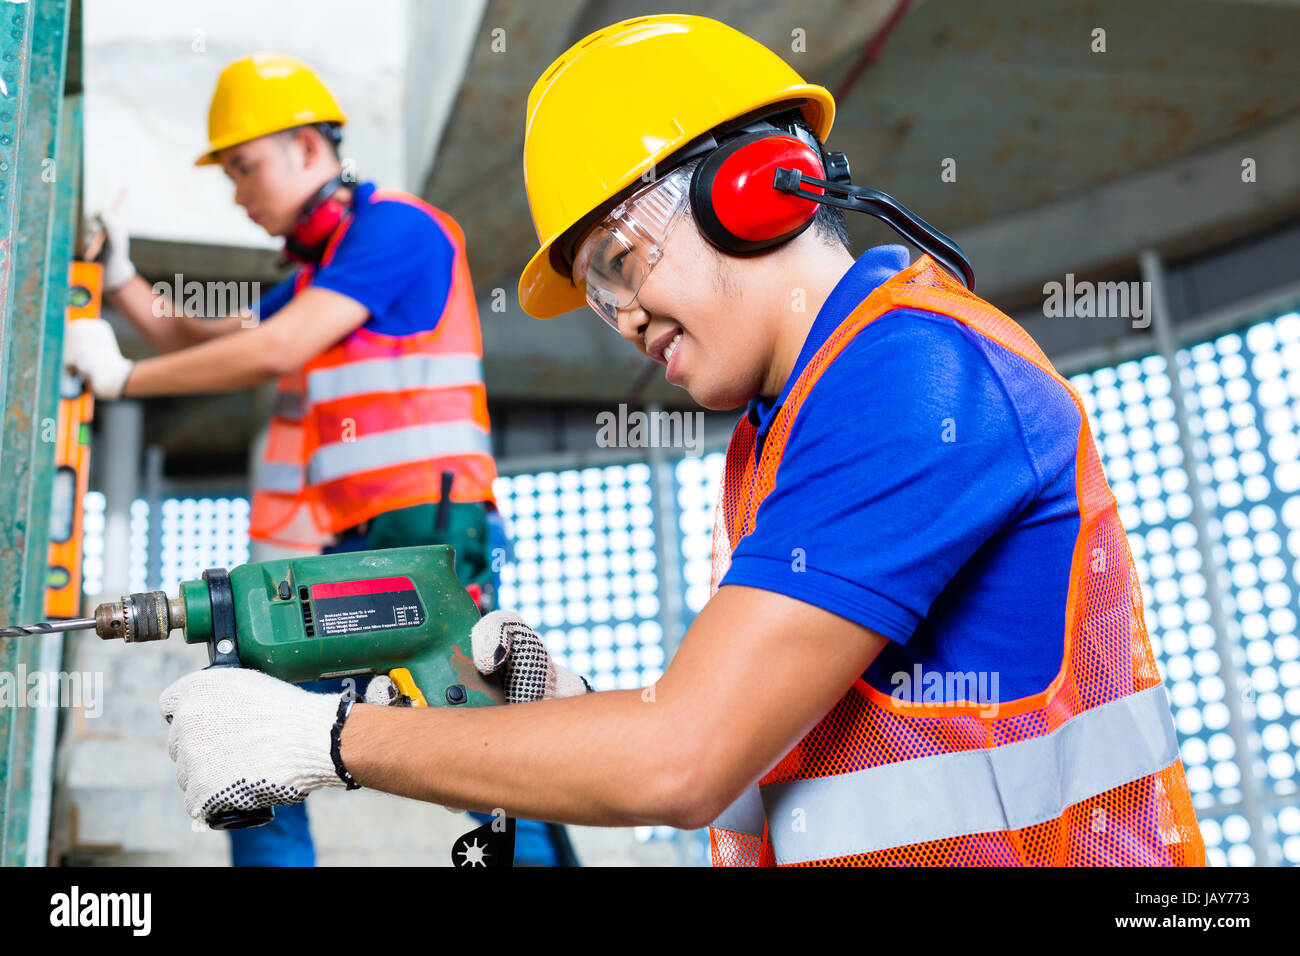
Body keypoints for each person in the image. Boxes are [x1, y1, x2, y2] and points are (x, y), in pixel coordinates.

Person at [156, 18, 1205, 866]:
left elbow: (681, 759)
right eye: (596, 294)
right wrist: (565, 714)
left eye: (618, 262)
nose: (622, 318)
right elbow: (770, 766)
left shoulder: (913, 376)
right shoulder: (780, 427)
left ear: (757, 189)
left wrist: (324, 741)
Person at [64, 52, 575, 867]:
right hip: (362, 543)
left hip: (429, 535)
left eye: (245, 165)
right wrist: (123, 281)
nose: (236, 191)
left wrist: (124, 379)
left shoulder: (398, 230)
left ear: (309, 147)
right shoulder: (324, 269)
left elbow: (279, 349)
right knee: (257, 718)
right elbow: (207, 337)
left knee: (485, 742)